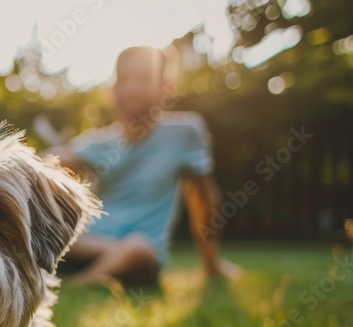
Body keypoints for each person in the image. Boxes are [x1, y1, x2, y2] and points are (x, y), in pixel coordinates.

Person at [49, 46, 240, 287]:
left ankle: (81, 284)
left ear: (167, 88)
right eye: (124, 78)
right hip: (86, 245)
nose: (132, 88)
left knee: (139, 248)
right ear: (112, 89)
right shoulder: (98, 142)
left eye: (143, 78)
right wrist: (54, 159)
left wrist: (211, 263)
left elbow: (202, 198)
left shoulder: (184, 133)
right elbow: (57, 164)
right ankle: (93, 276)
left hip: (140, 255)